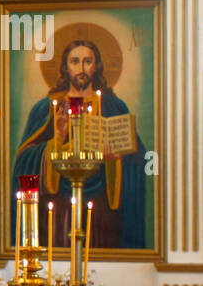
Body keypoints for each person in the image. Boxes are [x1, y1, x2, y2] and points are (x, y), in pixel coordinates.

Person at [11, 38, 147, 249]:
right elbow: (23, 160)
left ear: (96, 66)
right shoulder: (47, 108)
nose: (81, 68)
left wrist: (117, 159)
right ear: (65, 67)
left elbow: (139, 157)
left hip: (102, 208)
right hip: (59, 207)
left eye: (87, 61)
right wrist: (56, 139)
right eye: (75, 61)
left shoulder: (114, 106)